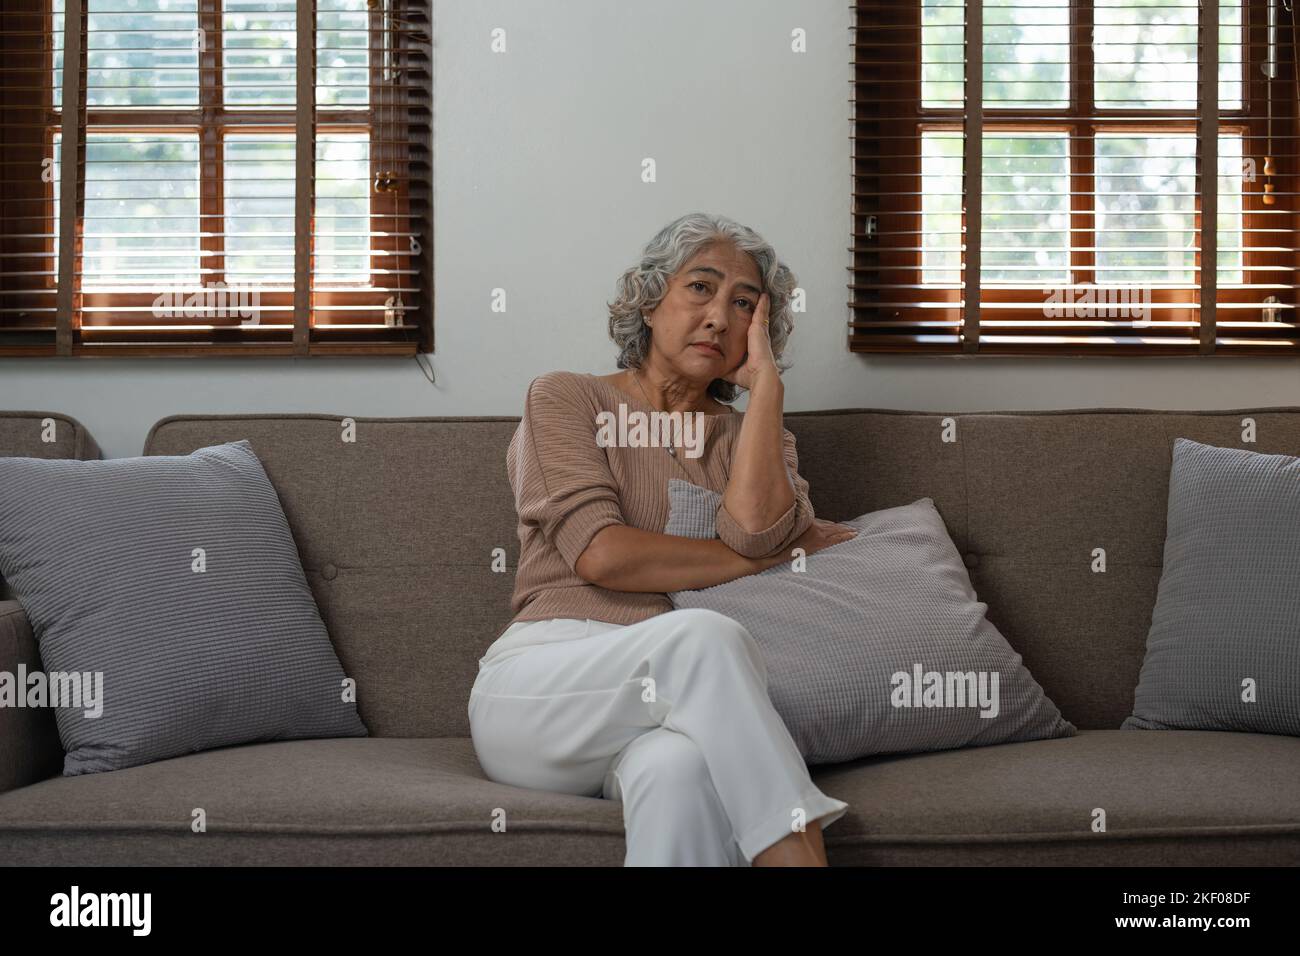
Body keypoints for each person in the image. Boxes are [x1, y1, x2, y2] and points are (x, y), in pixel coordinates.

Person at [469, 212, 858, 866]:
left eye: (744, 305)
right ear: (649, 303)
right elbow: (604, 555)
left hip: (667, 711)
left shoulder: (757, 438)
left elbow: (756, 525)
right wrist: (751, 558)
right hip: (546, 688)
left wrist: (766, 391)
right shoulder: (567, 398)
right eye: (700, 288)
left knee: (682, 773)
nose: (718, 317)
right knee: (706, 635)